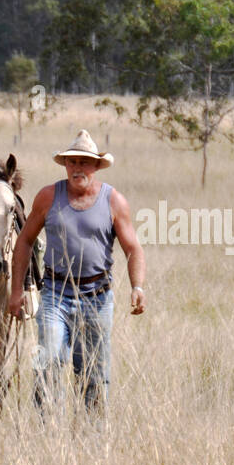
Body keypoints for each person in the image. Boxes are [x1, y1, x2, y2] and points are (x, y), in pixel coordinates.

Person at [8, 130, 146, 416]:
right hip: (55, 295)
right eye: (72, 162)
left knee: (93, 373)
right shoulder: (48, 197)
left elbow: (133, 248)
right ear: (65, 166)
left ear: (96, 166)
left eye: (84, 162)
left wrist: (137, 287)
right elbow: (24, 242)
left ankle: (92, 439)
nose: (77, 168)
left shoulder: (113, 201)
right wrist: (16, 291)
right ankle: (48, 435)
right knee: (49, 362)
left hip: (97, 298)